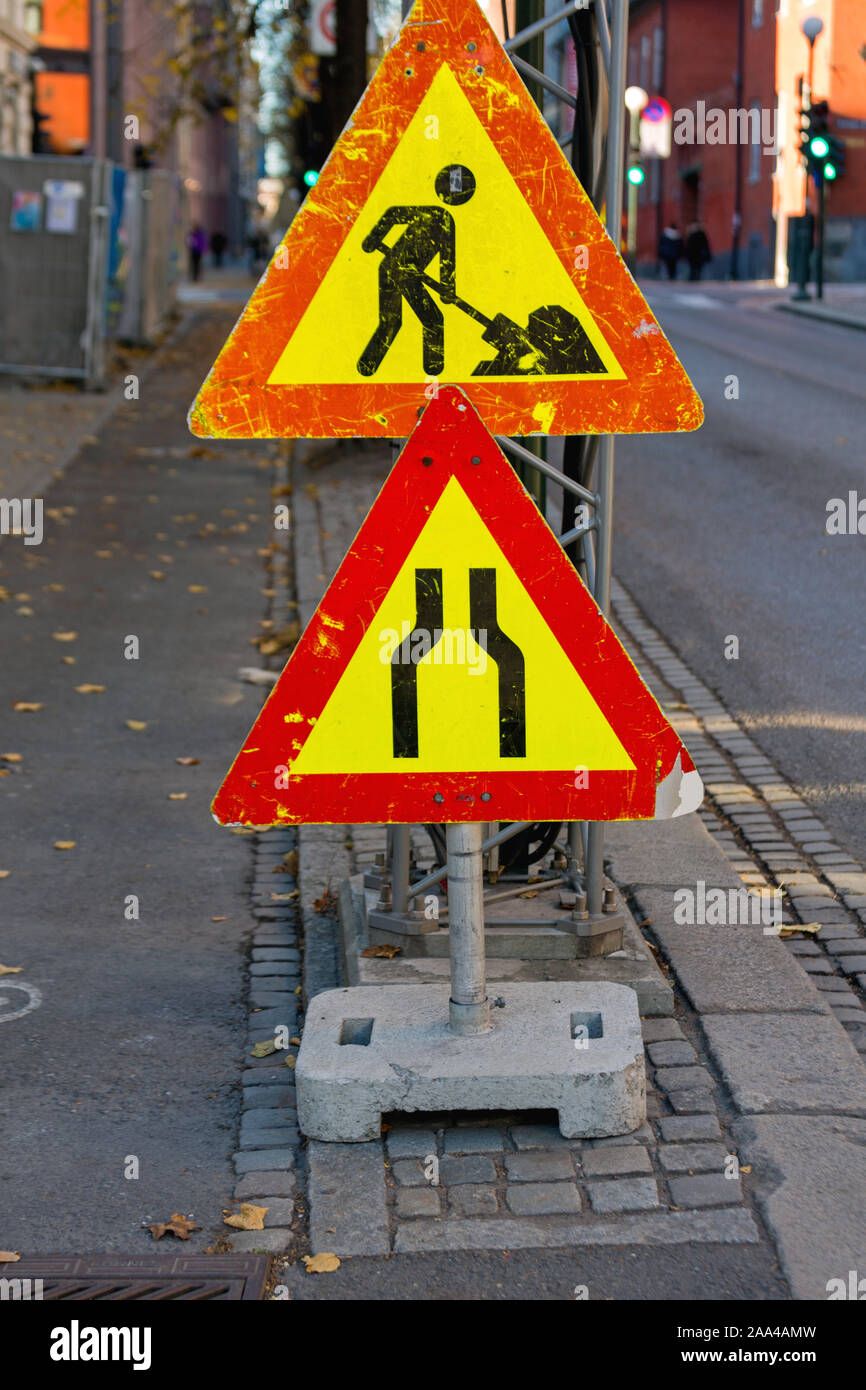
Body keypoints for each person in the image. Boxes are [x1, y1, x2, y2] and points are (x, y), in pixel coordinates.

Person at [358, 163, 477, 378]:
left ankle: (367, 366)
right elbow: (393, 214)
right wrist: (373, 238)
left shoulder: (444, 219)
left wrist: (448, 289)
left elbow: (447, 261)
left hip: (393, 270)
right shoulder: (437, 215)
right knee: (432, 321)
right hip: (401, 272)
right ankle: (433, 372)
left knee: (392, 323)